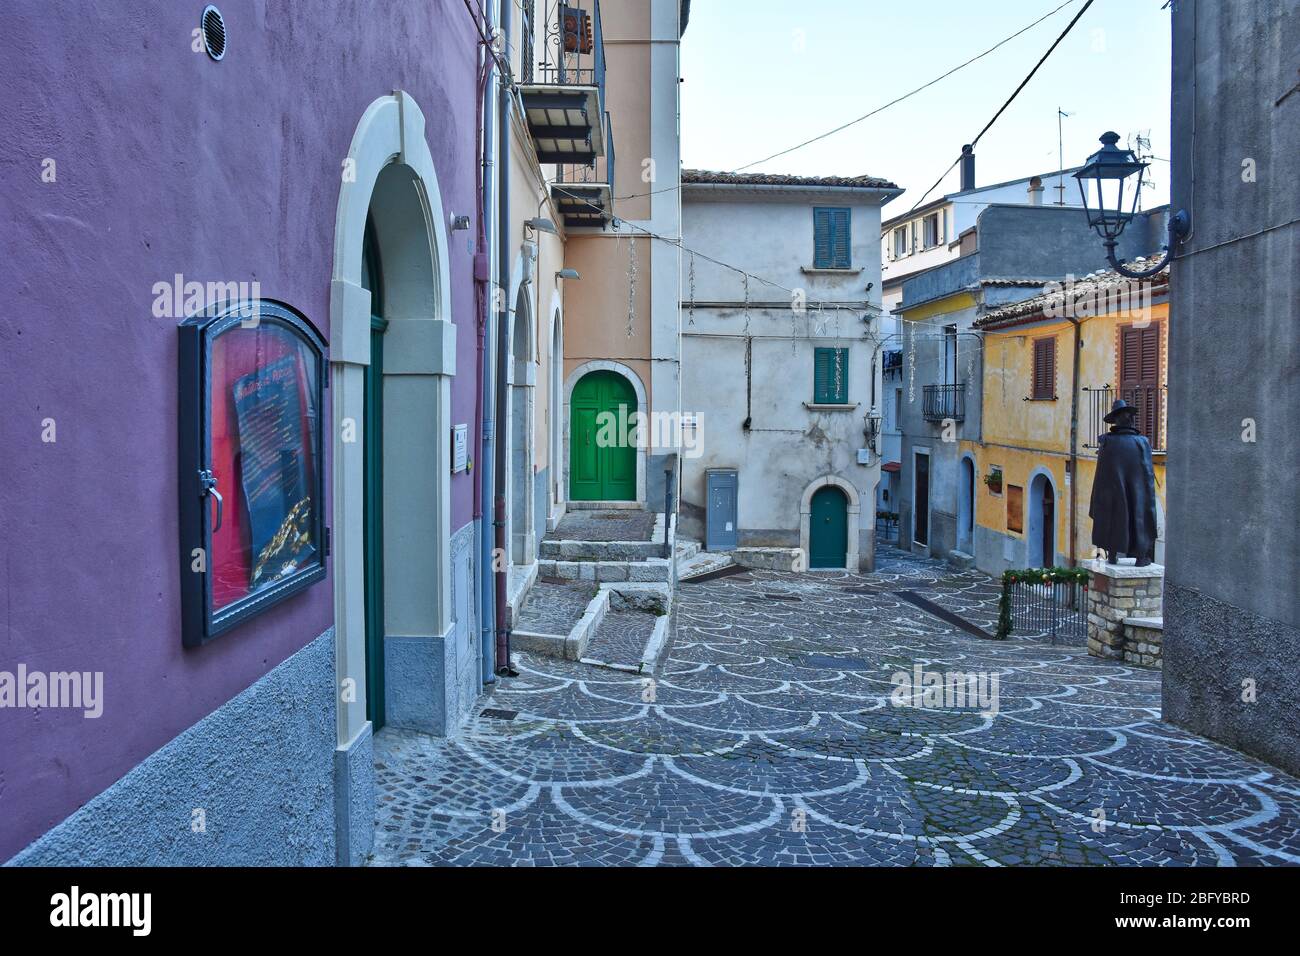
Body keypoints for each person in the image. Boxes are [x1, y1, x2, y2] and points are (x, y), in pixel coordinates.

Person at [1089, 399, 1158, 566]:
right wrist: (1149, 495)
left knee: (1113, 516)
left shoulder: (1107, 442)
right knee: (1138, 516)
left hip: (1112, 493)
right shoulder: (1142, 442)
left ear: (1115, 420)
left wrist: (1097, 498)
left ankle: (1112, 554)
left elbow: (1101, 475)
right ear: (1130, 420)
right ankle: (1141, 557)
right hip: (1138, 491)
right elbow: (1148, 473)